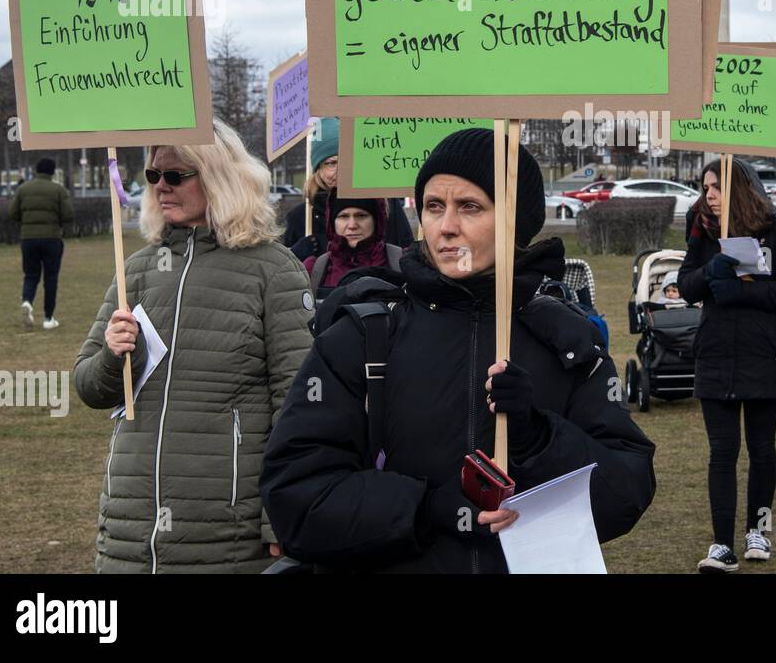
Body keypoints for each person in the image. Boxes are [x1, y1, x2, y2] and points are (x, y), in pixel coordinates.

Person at [261, 128, 656, 573]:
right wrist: (424, 509)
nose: (446, 226)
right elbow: (295, 496)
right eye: (433, 206)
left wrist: (539, 439)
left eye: (470, 206)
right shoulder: (363, 336)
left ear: (513, 221)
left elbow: (625, 495)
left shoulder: (566, 344)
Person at [74, 120, 314, 573]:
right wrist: (111, 355)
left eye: (175, 175)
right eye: (152, 176)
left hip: (226, 532)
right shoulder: (138, 269)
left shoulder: (273, 270)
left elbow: (297, 405)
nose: (160, 186)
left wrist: (279, 518)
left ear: (218, 177)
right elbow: (88, 386)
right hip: (131, 527)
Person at [678, 158, 776, 573]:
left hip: (764, 355)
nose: (708, 195)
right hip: (715, 354)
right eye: (705, 187)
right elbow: (685, 286)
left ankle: (758, 531)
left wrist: (742, 293)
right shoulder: (700, 228)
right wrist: (710, 270)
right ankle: (720, 545)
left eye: (716, 187)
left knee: (762, 447)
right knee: (722, 452)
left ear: (739, 187)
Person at [9, 157, 73, 330]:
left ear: (36, 170)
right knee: (50, 278)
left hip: (28, 239)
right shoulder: (58, 190)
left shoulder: (23, 189)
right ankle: (48, 318)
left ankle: (28, 302)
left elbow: (12, 213)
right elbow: (68, 215)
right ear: (52, 172)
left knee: (30, 275)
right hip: (52, 238)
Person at [304, 194, 403, 302]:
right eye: (343, 216)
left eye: (361, 215)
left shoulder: (402, 263)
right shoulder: (313, 270)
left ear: (376, 221)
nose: (352, 225)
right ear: (332, 223)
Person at [284, 118, 339, 259]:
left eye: (346, 160)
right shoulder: (300, 217)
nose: (340, 169)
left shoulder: (383, 208)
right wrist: (294, 256)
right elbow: (282, 275)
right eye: (331, 163)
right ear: (318, 169)